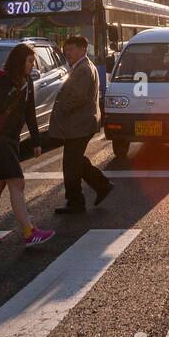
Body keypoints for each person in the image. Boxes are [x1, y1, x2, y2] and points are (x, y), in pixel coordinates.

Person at [0, 43, 55, 247]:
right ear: (19, 61)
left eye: (33, 62)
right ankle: (28, 232)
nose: (32, 66)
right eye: (29, 61)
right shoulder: (1, 79)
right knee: (17, 183)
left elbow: (30, 113)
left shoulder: (27, 82)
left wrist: (36, 140)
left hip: (11, 139)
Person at [51, 35, 113, 214]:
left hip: (79, 124)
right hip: (80, 123)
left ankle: (76, 201)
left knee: (71, 164)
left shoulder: (84, 69)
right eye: (66, 49)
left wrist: (61, 110)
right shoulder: (80, 67)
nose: (67, 53)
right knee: (75, 160)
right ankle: (102, 185)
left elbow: (77, 98)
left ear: (82, 50)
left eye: (71, 49)